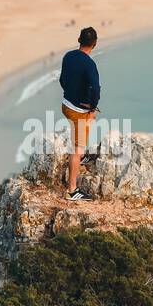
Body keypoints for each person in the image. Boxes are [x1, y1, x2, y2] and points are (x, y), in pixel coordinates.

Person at [59, 27, 100, 200]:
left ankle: (80, 156)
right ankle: (72, 190)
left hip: (66, 105)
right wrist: (91, 107)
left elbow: (62, 79)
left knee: (85, 127)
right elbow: (96, 89)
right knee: (77, 148)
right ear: (95, 44)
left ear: (79, 39)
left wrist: (71, 94)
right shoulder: (90, 64)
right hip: (78, 111)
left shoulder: (68, 56)